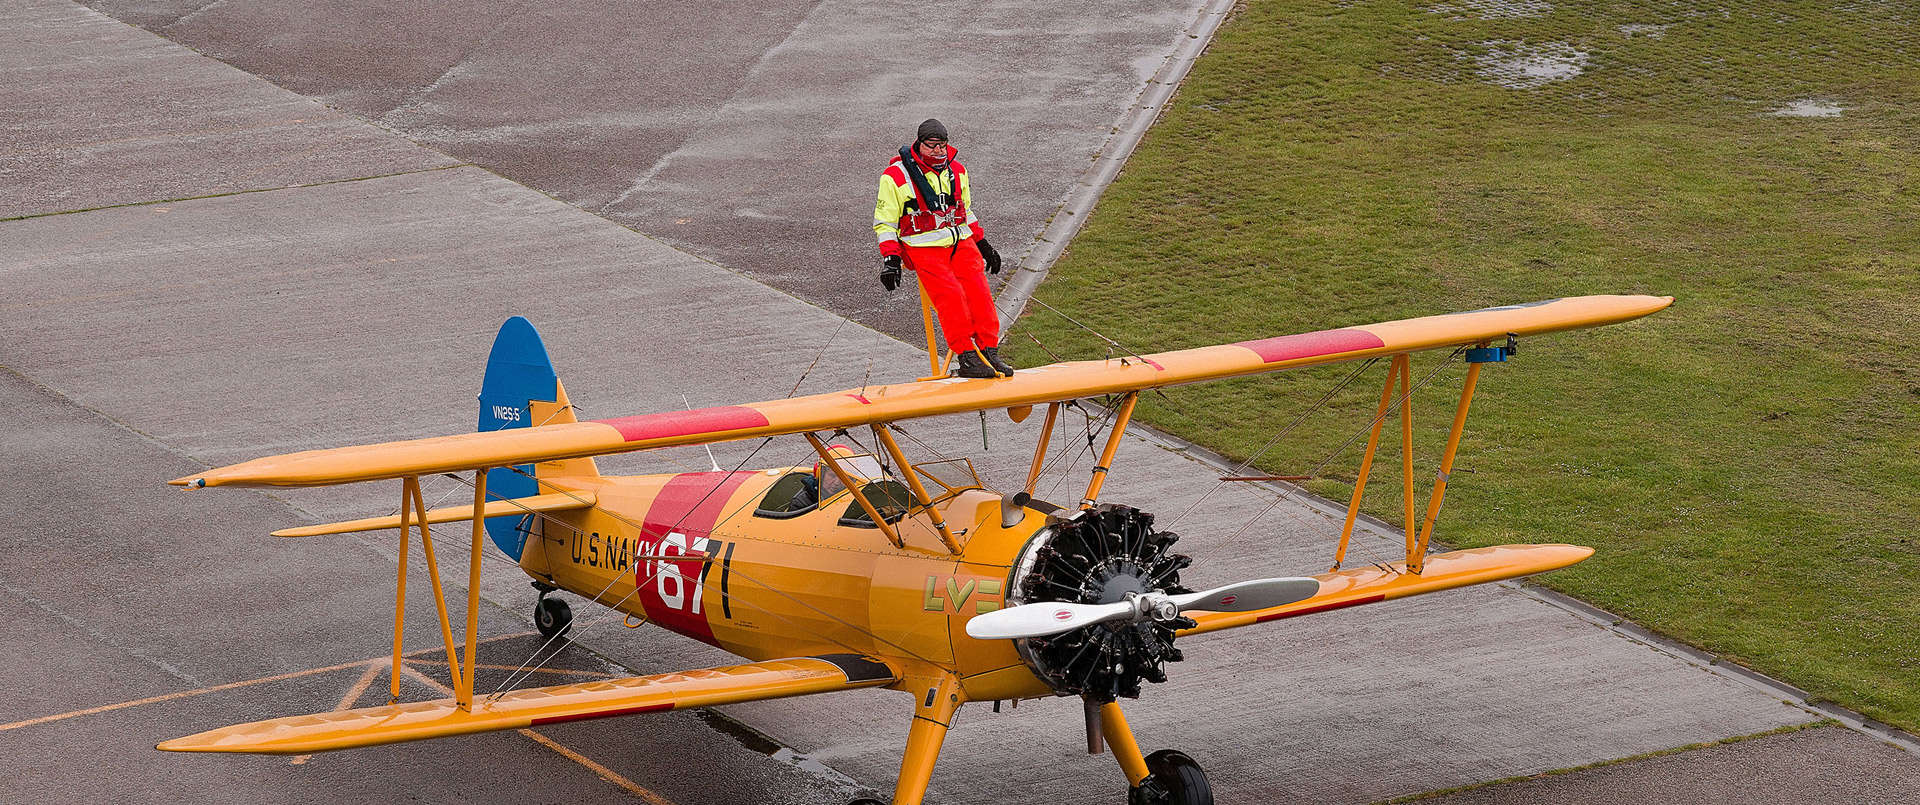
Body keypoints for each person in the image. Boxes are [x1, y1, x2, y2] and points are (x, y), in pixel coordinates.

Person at [873, 118, 1014, 378]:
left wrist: (983, 245)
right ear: (919, 144)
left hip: (960, 242)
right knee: (951, 298)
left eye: (942, 145)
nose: (938, 151)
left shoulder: (957, 170)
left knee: (981, 295)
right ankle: (967, 357)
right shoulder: (895, 176)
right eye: (932, 146)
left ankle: (989, 352)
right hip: (923, 246)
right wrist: (891, 259)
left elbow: (965, 212)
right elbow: (885, 222)